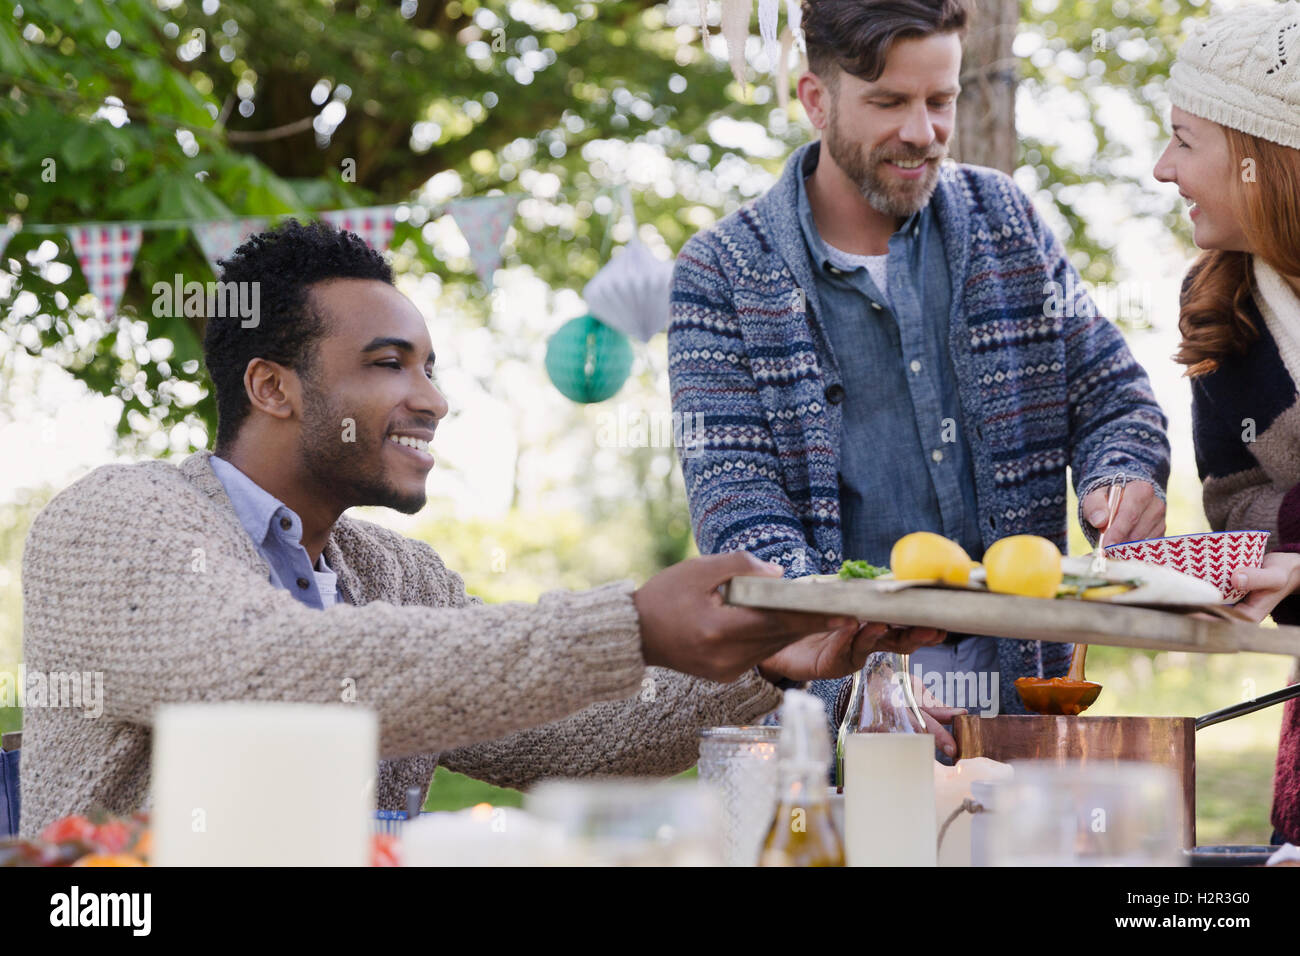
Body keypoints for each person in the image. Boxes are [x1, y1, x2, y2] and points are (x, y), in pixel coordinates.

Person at [17, 220, 956, 838]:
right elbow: (264, 670)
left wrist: (764, 663)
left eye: (431, 367)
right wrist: (627, 621)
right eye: (391, 365)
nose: (433, 400)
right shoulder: (117, 521)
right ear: (273, 386)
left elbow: (566, 736)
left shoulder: (397, 574)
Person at [667, 0, 1172, 742]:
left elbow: (1110, 395)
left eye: (941, 101)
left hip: (1022, 698)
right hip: (831, 727)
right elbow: (740, 513)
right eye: (889, 102)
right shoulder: (721, 273)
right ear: (816, 99)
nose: (922, 132)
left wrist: (1120, 474)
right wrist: (864, 691)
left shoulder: (1006, 221)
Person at [1154, 0, 1300, 846]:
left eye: (1184, 138)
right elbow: (1233, 505)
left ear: (1258, 158)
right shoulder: (1222, 302)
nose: (1161, 167)